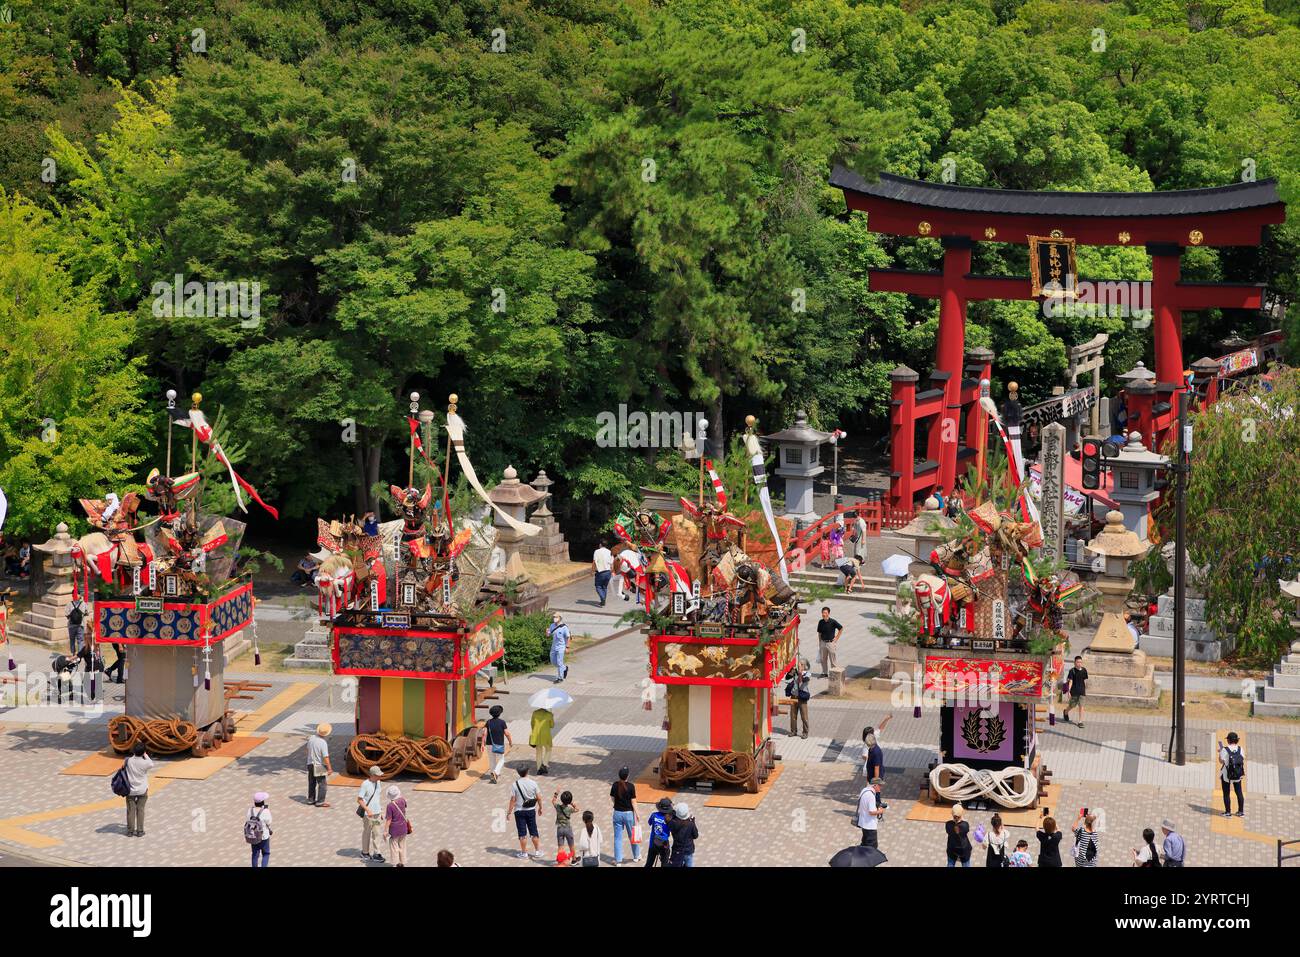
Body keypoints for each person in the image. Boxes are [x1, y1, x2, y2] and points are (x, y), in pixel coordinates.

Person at [507, 767, 545, 860]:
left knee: (522, 833)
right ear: (528, 772)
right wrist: (540, 808)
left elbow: (513, 800)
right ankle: (537, 851)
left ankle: (524, 853)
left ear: (518, 773)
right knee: (533, 832)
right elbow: (539, 797)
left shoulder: (514, 784)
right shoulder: (533, 783)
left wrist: (509, 812)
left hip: (519, 811)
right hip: (531, 810)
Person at [609, 765, 640, 865]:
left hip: (617, 813)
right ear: (627, 776)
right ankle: (636, 856)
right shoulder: (631, 786)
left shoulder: (615, 785)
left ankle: (618, 861)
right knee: (632, 836)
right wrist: (637, 814)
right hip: (628, 814)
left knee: (618, 838)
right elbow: (633, 802)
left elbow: (612, 798)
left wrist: (616, 804)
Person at [124, 742, 155, 837]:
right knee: (140, 809)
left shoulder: (128, 761)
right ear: (143, 752)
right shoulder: (146, 763)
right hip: (142, 790)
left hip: (131, 790)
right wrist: (145, 754)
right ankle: (140, 831)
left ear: (133, 751)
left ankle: (130, 831)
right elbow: (151, 764)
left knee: (130, 810)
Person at [357, 765, 386, 862]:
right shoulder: (365, 784)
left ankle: (376, 853)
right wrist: (367, 810)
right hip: (368, 815)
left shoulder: (378, 782)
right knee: (367, 832)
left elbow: (377, 798)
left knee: (377, 832)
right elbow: (359, 800)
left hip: (376, 814)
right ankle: (365, 852)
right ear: (372, 775)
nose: (380, 777)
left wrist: (380, 811)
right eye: (378, 775)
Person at [306, 722, 333, 807]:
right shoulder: (323, 742)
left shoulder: (311, 738)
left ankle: (311, 799)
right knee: (322, 784)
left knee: (311, 782)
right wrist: (329, 768)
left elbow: (307, 750)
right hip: (318, 765)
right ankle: (320, 801)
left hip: (309, 763)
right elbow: (326, 757)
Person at [1219, 732, 1245, 817]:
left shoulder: (1224, 749)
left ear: (1228, 740)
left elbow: (1221, 761)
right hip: (1237, 773)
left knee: (1226, 793)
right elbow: (1242, 759)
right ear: (1237, 740)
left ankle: (1228, 812)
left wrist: (1220, 752)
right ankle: (1241, 812)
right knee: (1239, 792)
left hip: (1226, 775)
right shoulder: (1240, 749)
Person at [385, 785, 411, 867]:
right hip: (403, 828)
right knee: (402, 846)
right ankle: (402, 862)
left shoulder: (390, 806)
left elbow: (388, 820)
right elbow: (404, 808)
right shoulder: (402, 800)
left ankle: (396, 863)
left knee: (394, 847)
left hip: (394, 830)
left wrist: (385, 830)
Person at [861, 714, 892, 781]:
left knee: (871, 782)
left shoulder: (873, 737)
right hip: (871, 767)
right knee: (872, 782)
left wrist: (886, 719)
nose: (874, 732)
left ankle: (874, 787)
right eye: (873, 732)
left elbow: (880, 728)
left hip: (875, 765)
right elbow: (865, 757)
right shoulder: (866, 745)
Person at [645, 797, 674, 867]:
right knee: (664, 863)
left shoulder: (654, 815)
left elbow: (649, 823)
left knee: (649, 863)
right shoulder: (670, 818)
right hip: (664, 844)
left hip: (653, 842)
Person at [485, 704, 511, 783]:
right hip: (499, 744)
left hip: (489, 744)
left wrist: (482, 744)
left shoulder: (488, 722)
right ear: (499, 713)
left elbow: (485, 733)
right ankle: (495, 772)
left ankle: (492, 775)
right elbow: (507, 733)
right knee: (501, 760)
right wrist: (510, 742)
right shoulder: (502, 722)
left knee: (492, 760)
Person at [855, 777, 883, 848]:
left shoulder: (864, 790)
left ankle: (861, 856)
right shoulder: (871, 796)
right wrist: (880, 811)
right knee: (872, 847)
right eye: (880, 785)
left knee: (864, 845)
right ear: (875, 785)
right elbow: (871, 812)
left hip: (863, 823)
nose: (881, 787)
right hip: (870, 825)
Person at [814, 607, 842, 677]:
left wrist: (836, 638)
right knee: (823, 659)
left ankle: (834, 673)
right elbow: (819, 633)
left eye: (825, 613)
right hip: (823, 642)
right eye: (823, 613)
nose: (824, 614)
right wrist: (820, 642)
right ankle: (824, 673)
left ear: (828, 613)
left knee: (833, 659)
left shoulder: (833, 622)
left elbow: (841, 628)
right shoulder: (820, 622)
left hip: (831, 643)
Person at [785, 662, 811, 738]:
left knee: (804, 716)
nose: (800, 666)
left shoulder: (807, 674)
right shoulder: (795, 672)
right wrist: (791, 671)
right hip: (794, 696)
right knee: (793, 715)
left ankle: (805, 732)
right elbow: (787, 677)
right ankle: (793, 731)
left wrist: (799, 673)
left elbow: (802, 681)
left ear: (805, 666)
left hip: (802, 697)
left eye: (802, 665)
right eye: (799, 665)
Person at [668, 802, 698, 867]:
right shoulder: (690, 824)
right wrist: (693, 821)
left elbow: (670, 822)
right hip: (688, 850)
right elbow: (695, 835)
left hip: (677, 850)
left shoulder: (673, 823)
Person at [247, 791, 272, 867]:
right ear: (263, 802)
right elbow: (269, 822)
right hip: (264, 836)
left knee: (255, 854)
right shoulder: (265, 811)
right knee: (266, 853)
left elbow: (248, 820)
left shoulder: (250, 811)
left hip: (253, 835)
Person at [1062, 655, 1088, 727]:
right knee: (1072, 705)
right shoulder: (1072, 671)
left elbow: (1085, 680)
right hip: (1074, 691)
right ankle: (1066, 712)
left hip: (1082, 691)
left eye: (1080, 662)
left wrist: (1085, 689)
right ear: (1075, 663)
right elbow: (1070, 682)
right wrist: (1069, 691)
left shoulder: (1084, 670)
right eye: (1078, 662)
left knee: (1081, 706)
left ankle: (1080, 721)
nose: (1079, 663)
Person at [553, 790, 578, 863]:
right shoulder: (569, 809)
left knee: (560, 846)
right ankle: (574, 859)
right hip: (568, 828)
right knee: (571, 845)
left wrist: (556, 793)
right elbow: (577, 809)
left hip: (559, 828)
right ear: (569, 800)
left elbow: (553, 801)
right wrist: (572, 804)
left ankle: (560, 861)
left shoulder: (558, 807)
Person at [546, 613, 571, 682]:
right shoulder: (552, 625)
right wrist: (547, 633)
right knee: (553, 662)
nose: (554, 618)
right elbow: (548, 635)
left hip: (561, 647)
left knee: (559, 662)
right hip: (553, 647)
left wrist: (567, 647)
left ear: (560, 618)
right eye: (553, 617)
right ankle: (564, 668)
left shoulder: (564, 627)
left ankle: (560, 678)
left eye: (556, 617)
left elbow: (568, 637)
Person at [529, 706, 554, 775]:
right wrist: (551, 717)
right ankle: (544, 764)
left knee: (539, 752)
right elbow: (552, 725)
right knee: (548, 750)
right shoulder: (549, 714)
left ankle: (539, 769)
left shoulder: (535, 713)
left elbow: (532, 724)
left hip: (536, 735)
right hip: (545, 735)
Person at [592, 541, 614, 606]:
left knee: (598, 586)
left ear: (600, 544)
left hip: (600, 572)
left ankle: (603, 598)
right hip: (608, 572)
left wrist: (592, 571)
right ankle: (602, 601)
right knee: (604, 587)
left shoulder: (596, 551)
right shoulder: (610, 552)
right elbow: (612, 564)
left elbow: (594, 562)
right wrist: (611, 571)